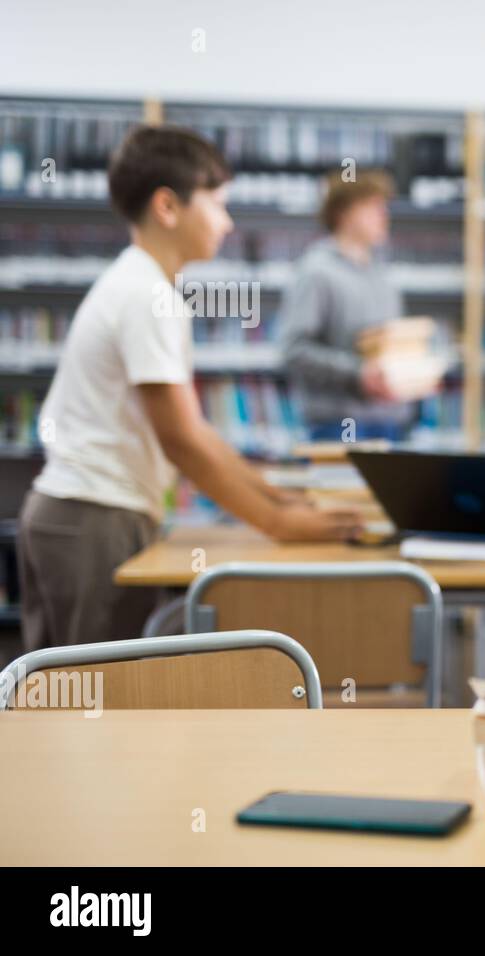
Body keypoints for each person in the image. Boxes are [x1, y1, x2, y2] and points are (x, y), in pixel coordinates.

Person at [18, 125, 361, 652]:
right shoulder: (146, 296)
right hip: (92, 518)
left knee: (61, 699)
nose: (227, 223)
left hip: (82, 514)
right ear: (168, 207)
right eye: (218, 204)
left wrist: (277, 494)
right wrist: (279, 522)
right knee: (91, 709)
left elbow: (194, 430)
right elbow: (180, 440)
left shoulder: (143, 284)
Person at [282, 170, 429, 441]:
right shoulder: (316, 272)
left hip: (390, 423)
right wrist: (358, 373)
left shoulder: (382, 274)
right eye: (373, 207)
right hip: (339, 426)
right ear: (344, 212)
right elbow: (294, 351)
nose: (384, 216)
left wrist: (415, 374)